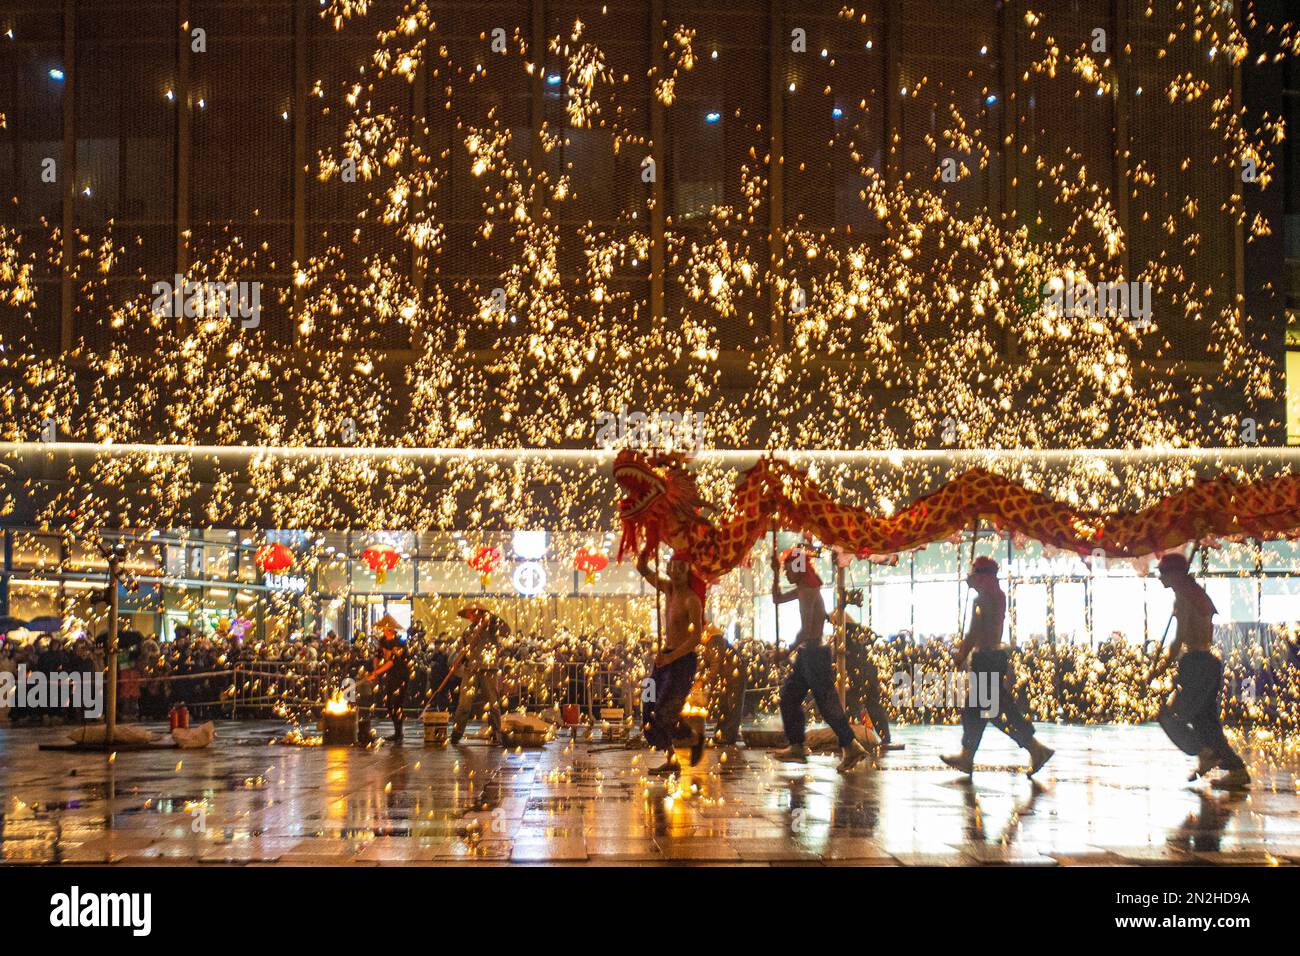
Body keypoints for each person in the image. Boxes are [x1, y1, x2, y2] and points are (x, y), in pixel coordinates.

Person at [942, 557, 1054, 777]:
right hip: (994, 658)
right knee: (976, 710)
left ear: (981, 576)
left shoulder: (982, 600)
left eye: (973, 574)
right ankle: (968, 755)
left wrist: (961, 654)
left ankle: (1035, 748)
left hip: (986, 659)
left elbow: (974, 632)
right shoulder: (998, 596)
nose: (970, 577)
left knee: (997, 711)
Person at [1153, 552, 1249, 790]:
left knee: (1168, 716)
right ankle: (1235, 769)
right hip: (1205, 662)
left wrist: (1158, 668)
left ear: (1175, 574)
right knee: (1205, 722)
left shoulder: (1186, 597)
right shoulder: (1192, 593)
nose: (1159, 577)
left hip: (1197, 663)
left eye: (1162, 572)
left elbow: (1180, 639)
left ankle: (1204, 753)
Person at [772, 545, 872, 772]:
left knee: (826, 705)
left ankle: (849, 745)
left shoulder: (808, 591)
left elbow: (807, 629)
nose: (787, 574)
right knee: (790, 696)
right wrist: (775, 572)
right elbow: (777, 598)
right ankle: (799, 745)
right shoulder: (803, 589)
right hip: (809, 655)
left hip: (814, 655)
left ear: (799, 567)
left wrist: (785, 652)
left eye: (788, 569)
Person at [635, 548, 707, 774]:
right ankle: (672, 758)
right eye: (672, 567)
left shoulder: (692, 600)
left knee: (665, 711)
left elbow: (696, 638)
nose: (675, 573)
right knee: (648, 706)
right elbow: (642, 569)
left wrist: (671, 657)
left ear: (688, 572)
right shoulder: (668, 590)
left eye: (681, 568)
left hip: (681, 662)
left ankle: (692, 738)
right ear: (667, 568)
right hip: (663, 662)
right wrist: (647, 549)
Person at [831, 589, 891, 750]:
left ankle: (851, 738)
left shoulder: (846, 635)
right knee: (871, 704)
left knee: (853, 702)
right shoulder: (858, 633)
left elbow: (841, 654)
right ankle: (885, 738)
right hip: (867, 672)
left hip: (861, 674)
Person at [450, 604, 507, 746]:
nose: (471, 616)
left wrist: (493, 618)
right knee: (464, 704)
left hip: (488, 668)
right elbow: (465, 650)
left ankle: (496, 732)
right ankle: (456, 734)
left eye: (474, 613)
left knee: (493, 702)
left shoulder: (491, 627)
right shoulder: (468, 631)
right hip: (471, 669)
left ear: (480, 614)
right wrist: (458, 661)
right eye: (470, 614)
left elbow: (507, 631)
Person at [699, 624, 745, 746]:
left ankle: (728, 736)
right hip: (728, 678)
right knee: (724, 705)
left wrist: (702, 682)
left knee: (731, 706)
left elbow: (715, 665)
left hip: (733, 678)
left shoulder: (715, 642)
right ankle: (722, 733)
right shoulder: (712, 643)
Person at [373, 615, 410, 743]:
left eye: (385, 629)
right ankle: (397, 731)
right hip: (389, 676)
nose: (383, 631)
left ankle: (399, 732)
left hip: (400, 676)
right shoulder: (383, 640)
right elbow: (377, 655)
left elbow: (391, 662)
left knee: (396, 704)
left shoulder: (399, 643)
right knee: (389, 704)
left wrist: (377, 672)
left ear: (390, 629)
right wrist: (375, 669)